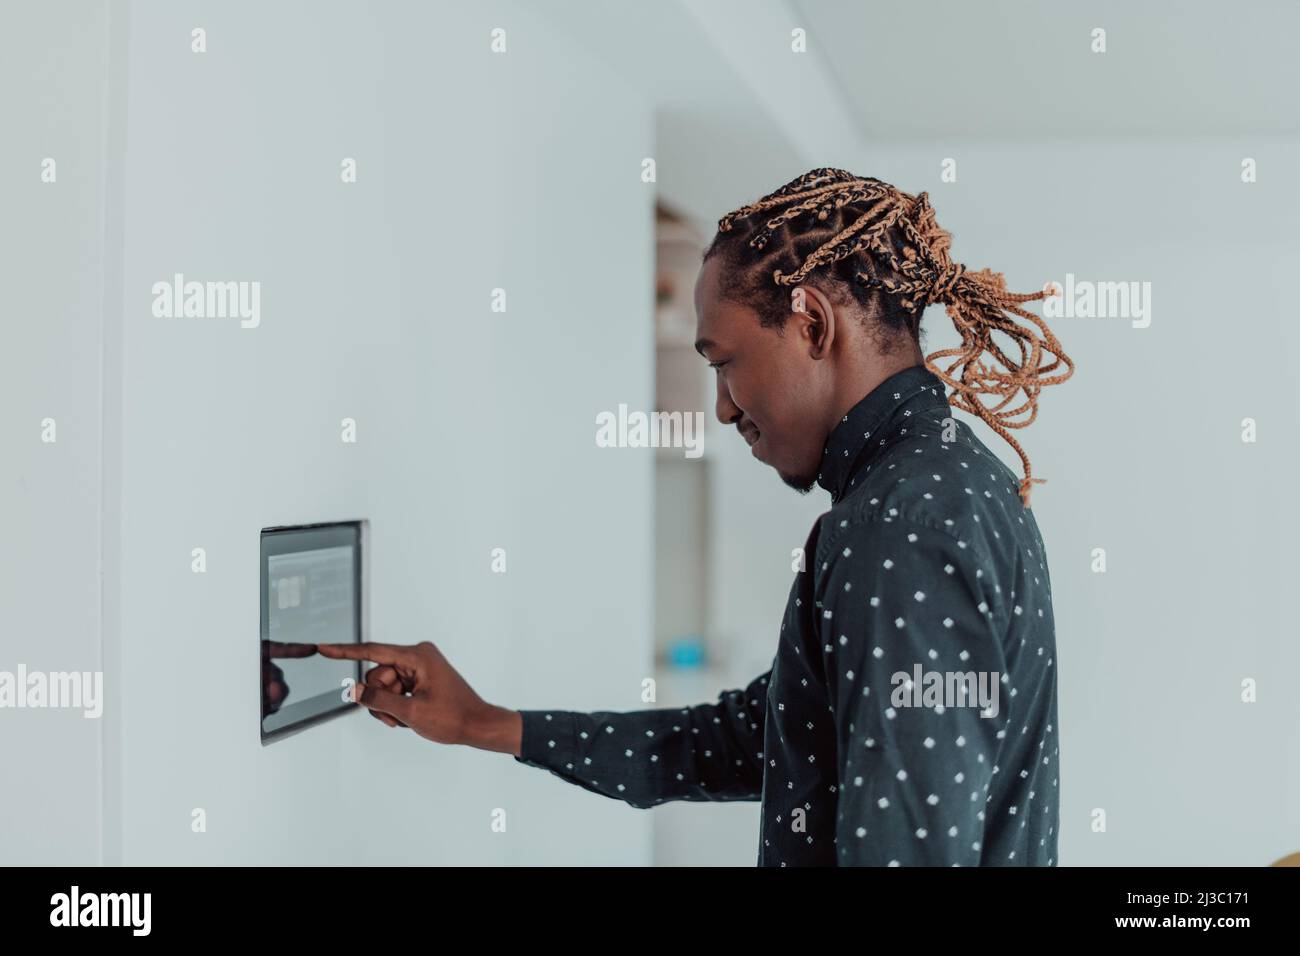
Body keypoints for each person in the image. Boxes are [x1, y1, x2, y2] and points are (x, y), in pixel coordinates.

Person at [318, 168, 1075, 866]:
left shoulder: (898, 523)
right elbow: (762, 738)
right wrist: (484, 722)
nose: (721, 407)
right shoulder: (956, 481)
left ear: (811, 323)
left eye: (723, 363)